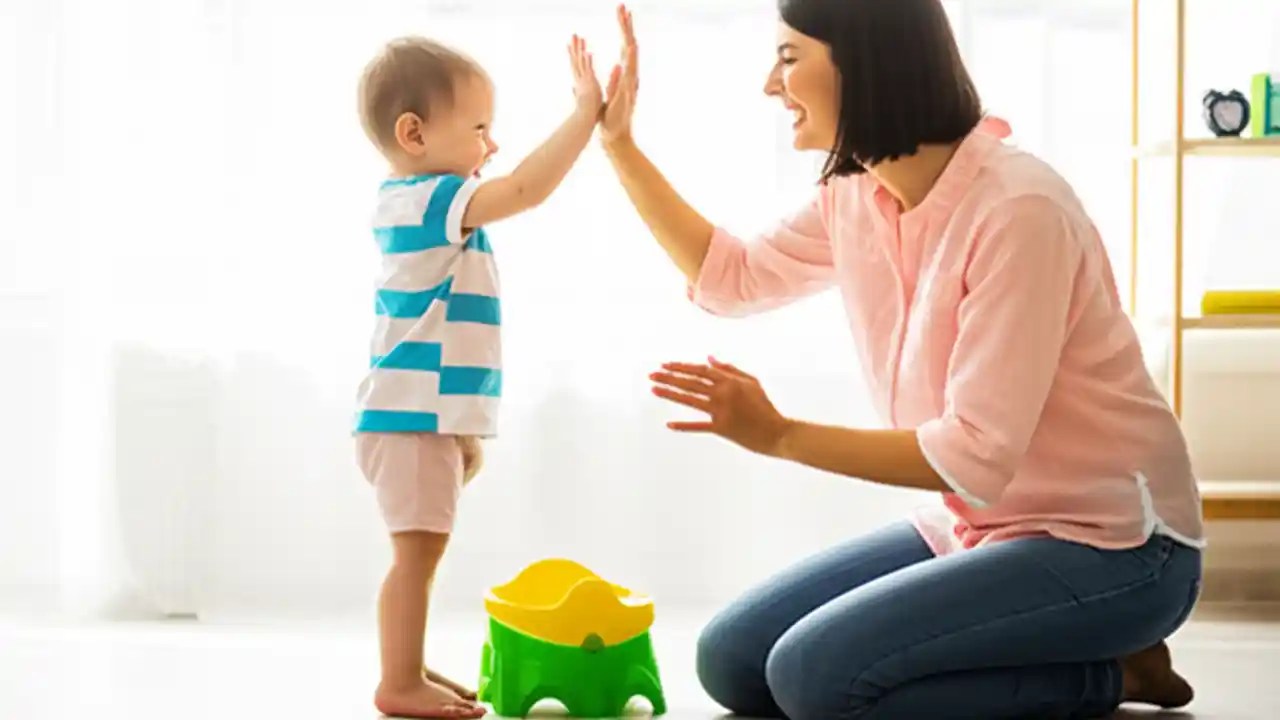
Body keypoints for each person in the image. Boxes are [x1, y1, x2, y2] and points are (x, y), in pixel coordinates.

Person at [598, 1, 1205, 718]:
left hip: (1120, 550)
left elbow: (974, 455)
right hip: (984, 528)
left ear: (866, 60)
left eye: (789, 57)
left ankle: (1115, 675)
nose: (770, 83)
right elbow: (732, 279)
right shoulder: (857, 195)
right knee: (732, 660)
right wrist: (621, 148)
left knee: (811, 679)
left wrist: (780, 435)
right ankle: (1059, 649)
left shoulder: (1019, 210)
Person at [353, 35, 604, 718]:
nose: (491, 147)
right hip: (408, 419)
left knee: (421, 554)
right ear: (414, 133)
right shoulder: (432, 198)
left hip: (415, 416)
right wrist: (585, 114)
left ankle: (407, 666)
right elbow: (525, 189)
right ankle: (397, 682)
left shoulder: (418, 204)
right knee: (417, 557)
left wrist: (461, 431)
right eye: (480, 129)